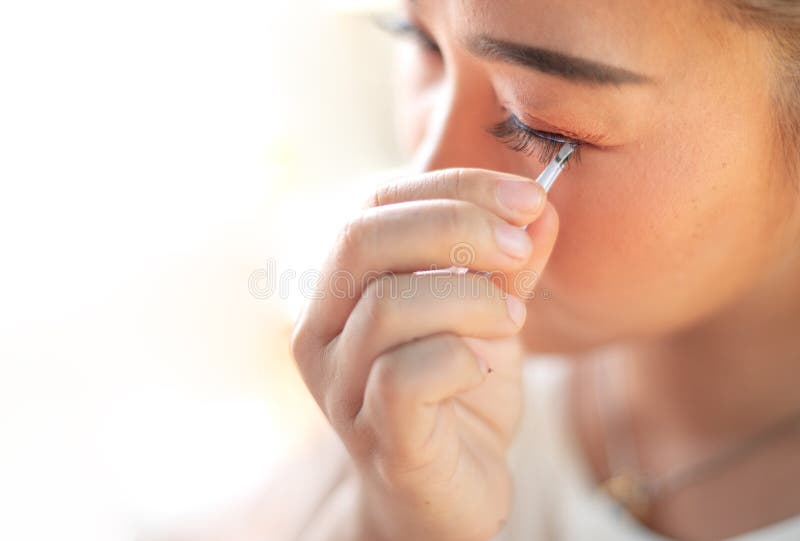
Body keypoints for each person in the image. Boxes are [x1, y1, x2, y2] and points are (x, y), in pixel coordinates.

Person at [285, 1, 800, 539]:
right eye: (421, 42)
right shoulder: (413, 397)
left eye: (541, 128)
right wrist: (389, 521)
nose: (428, 174)